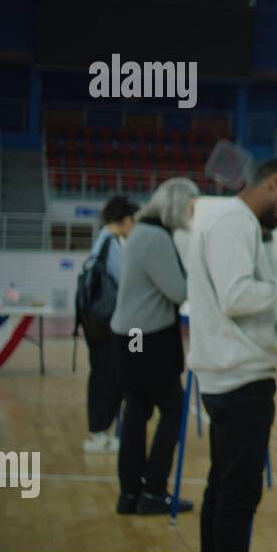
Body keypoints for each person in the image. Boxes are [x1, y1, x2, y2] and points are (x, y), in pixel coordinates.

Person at [186, 157, 277, 552]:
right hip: (240, 379)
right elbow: (237, 296)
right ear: (274, 182)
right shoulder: (233, 221)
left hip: (227, 375)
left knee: (223, 487)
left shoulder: (235, 222)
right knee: (238, 496)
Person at [109, 177, 198, 515]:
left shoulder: (139, 233)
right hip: (148, 336)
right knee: (173, 409)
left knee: (136, 412)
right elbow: (177, 291)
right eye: (189, 206)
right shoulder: (157, 236)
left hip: (129, 335)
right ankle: (155, 491)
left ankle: (129, 494)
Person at [82, 195, 140, 454]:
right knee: (107, 378)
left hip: (97, 323)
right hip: (106, 324)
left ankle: (99, 431)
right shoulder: (111, 243)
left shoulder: (103, 240)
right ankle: (98, 432)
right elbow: (126, 281)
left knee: (105, 376)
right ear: (126, 220)